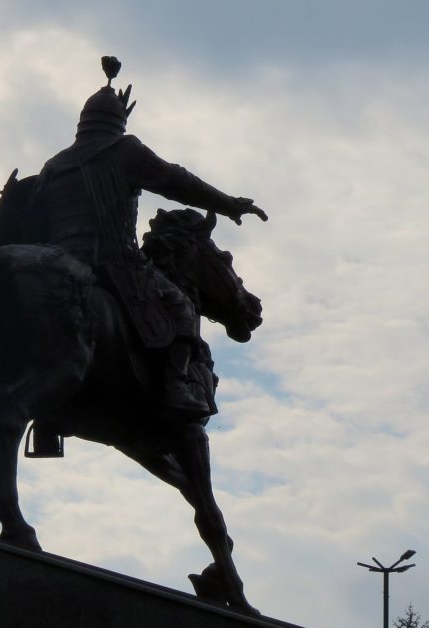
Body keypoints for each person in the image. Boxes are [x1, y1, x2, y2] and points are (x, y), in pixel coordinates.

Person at [29, 56, 267, 419]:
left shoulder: (54, 164)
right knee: (181, 308)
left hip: (60, 261)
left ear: (83, 123)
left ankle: (49, 417)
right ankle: (176, 386)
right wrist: (228, 204)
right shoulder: (124, 150)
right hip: (112, 260)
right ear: (118, 123)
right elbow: (177, 181)